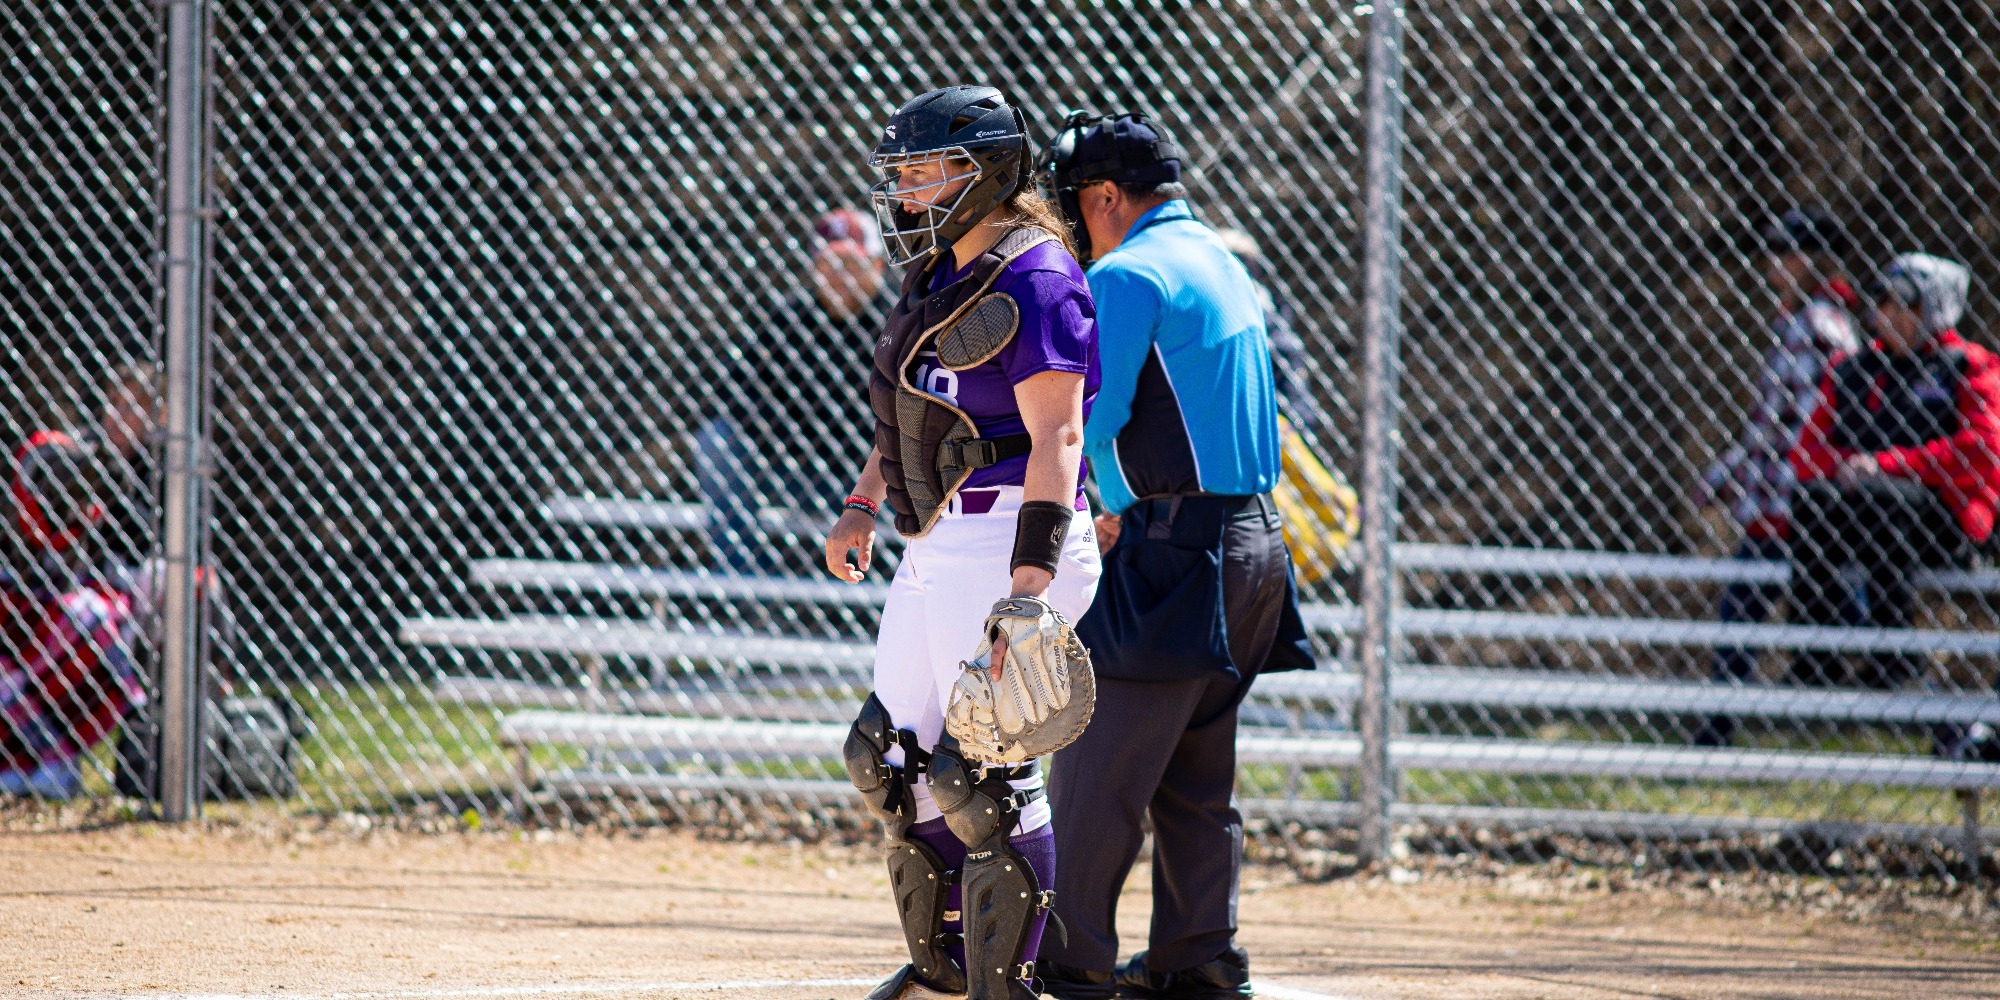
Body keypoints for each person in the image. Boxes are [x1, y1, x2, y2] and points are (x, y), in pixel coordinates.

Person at [823, 85, 1102, 1000]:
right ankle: (943, 970)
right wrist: (865, 502)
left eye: (923, 170)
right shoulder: (941, 273)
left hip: (1012, 539)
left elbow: (1059, 439)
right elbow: (912, 414)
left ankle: (1007, 983)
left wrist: (1028, 590)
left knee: (979, 776)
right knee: (888, 757)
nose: (904, 191)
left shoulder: (1038, 275)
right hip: (938, 539)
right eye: (898, 172)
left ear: (987, 174)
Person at [1033, 112, 1314, 1000]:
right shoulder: (1219, 259)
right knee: (1195, 772)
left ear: (1110, 196)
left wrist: (1102, 507)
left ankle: (1067, 964)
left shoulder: (1128, 272)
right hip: (1256, 546)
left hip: (1175, 548)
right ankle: (1198, 957)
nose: (1072, 220)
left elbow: (1090, 421)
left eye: (1077, 200)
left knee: (1093, 767)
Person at [1787, 252, 1998, 700]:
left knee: (1884, 496)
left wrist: (1887, 465)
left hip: (1940, 519)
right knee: (1813, 499)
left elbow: (1984, 448)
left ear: (1936, 308)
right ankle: (1814, 658)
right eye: (1883, 303)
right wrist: (1845, 468)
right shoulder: (1854, 369)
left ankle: (1894, 656)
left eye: (1907, 305)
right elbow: (1807, 451)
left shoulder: (1968, 365)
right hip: (1865, 511)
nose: (1890, 316)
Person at [1690, 208, 1861, 746]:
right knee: (1795, 610)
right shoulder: (1800, 322)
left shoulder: (1817, 326)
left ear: (1814, 260)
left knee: (1767, 612)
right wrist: (1726, 476)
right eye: (1772, 251)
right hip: (1776, 498)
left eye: (1788, 253)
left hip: (1796, 503)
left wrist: (1728, 476)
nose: (1774, 263)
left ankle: (1715, 728)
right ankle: (1716, 727)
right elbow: (1771, 422)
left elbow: (1806, 426)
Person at [697, 208, 895, 575]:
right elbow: (740, 400)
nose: (838, 277)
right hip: (792, 470)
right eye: (829, 264)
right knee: (717, 441)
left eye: (851, 264)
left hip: (873, 477)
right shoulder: (789, 319)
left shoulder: (899, 325)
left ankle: (884, 592)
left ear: (877, 268)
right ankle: (740, 585)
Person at [1, 364, 159, 797]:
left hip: (123, 577)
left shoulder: (164, 469)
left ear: (155, 418)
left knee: (99, 615)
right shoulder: (77, 450)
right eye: (115, 403)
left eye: (133, 408)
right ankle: (31, 761)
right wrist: (82, 482)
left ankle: (59, 759)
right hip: (58, 578)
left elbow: (149, 541)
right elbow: (40, 490)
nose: (118, 415)